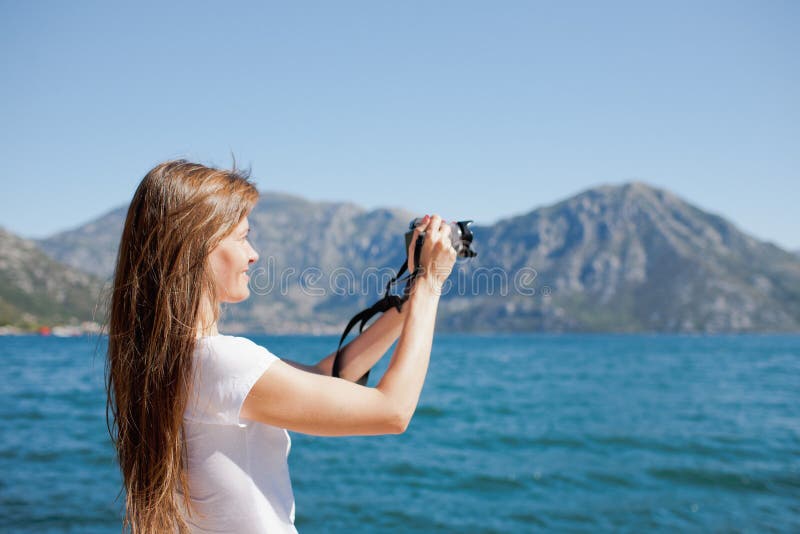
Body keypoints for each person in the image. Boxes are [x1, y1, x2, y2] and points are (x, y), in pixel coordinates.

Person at [106, 160, 456, 533]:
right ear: (197, 248)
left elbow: (328, 376)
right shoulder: (220, 361)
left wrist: (407, 303)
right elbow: (393, 411)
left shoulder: (170, 360)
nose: (253, 254)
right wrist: (430, 283)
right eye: (242, 237)